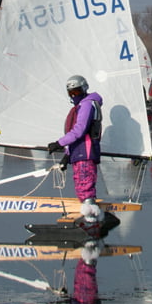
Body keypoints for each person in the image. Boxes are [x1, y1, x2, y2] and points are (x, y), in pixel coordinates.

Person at [48, 75, 106, 225]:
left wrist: (58, 143)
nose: (74, 96)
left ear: (84, 89)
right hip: (78, 151)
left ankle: (91, 216)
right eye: (71, 93)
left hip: (85, 151)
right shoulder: (81, 105)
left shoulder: (87, 105)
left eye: (77, 92)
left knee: (85, 181)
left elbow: (79, 130)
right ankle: (89, 214)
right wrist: (66, 156)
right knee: (80, 182)